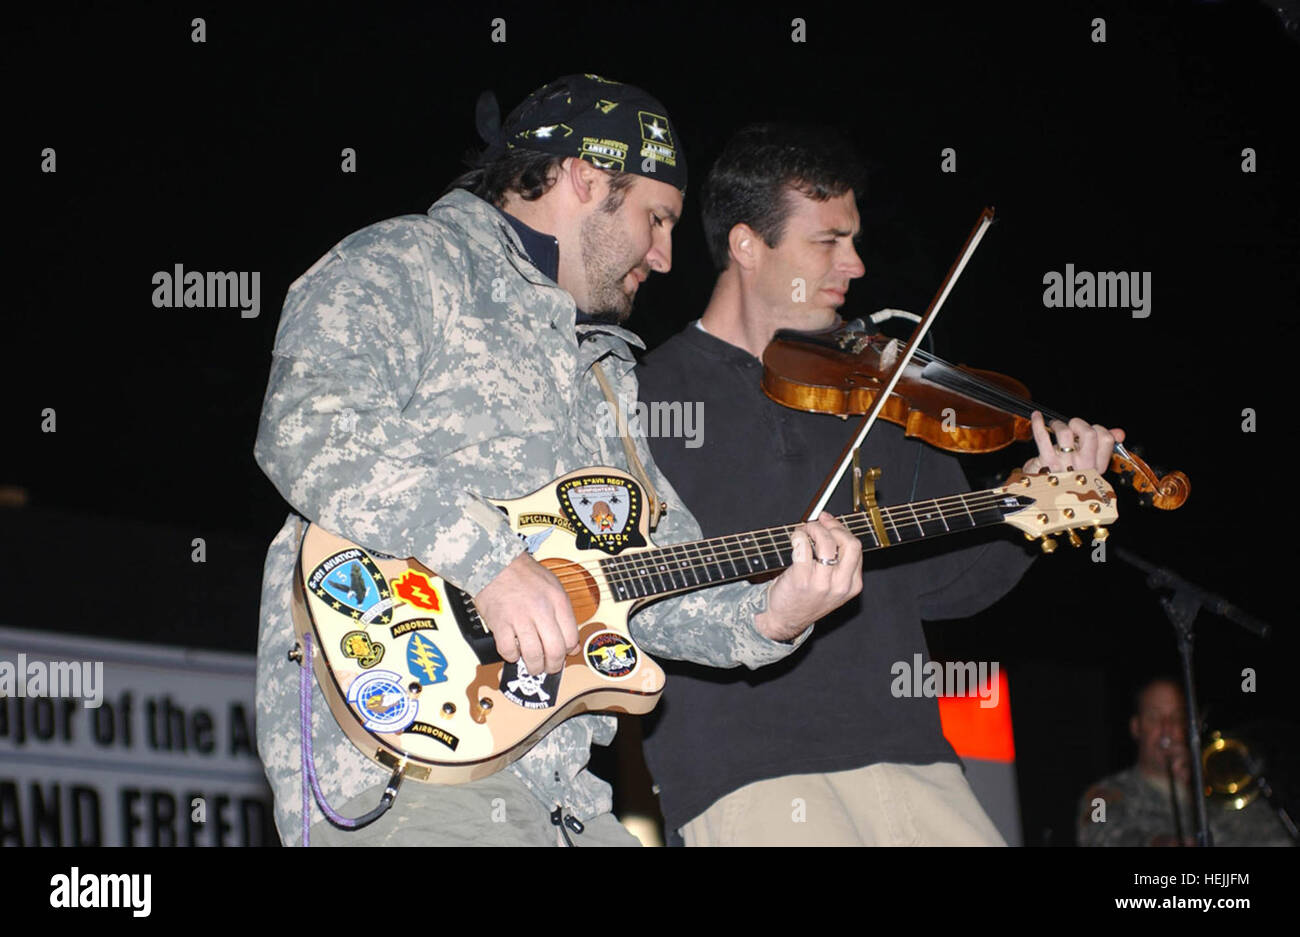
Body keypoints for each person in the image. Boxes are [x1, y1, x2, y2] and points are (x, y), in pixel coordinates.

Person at [252, 79, 862, 846]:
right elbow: (308, 425)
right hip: (403, 766)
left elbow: (654, 567)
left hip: (563, 795)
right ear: (583, 178)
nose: (667, 256)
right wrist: (491, 562)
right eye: (657, 217)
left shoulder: (605, 370)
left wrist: (771, 614)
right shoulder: (413, 261)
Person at [636, 123, 1121, 846]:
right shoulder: (644, 397)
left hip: (915, 755)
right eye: (827, 241)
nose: (855, 265)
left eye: (854, 239)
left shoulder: (876, 389)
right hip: (745, 772)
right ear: (746, 246)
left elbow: (947, 583)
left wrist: (1031, 503)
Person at [1077, 677, 1294, 846]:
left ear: (1193, 727)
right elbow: (1100, 837)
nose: (1167, 728)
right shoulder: (1106, 794)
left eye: (1177, 717)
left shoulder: (1222, 786)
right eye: (1154, 717)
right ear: (1136, 727)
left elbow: (1275, 837)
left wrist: (1195, 789)